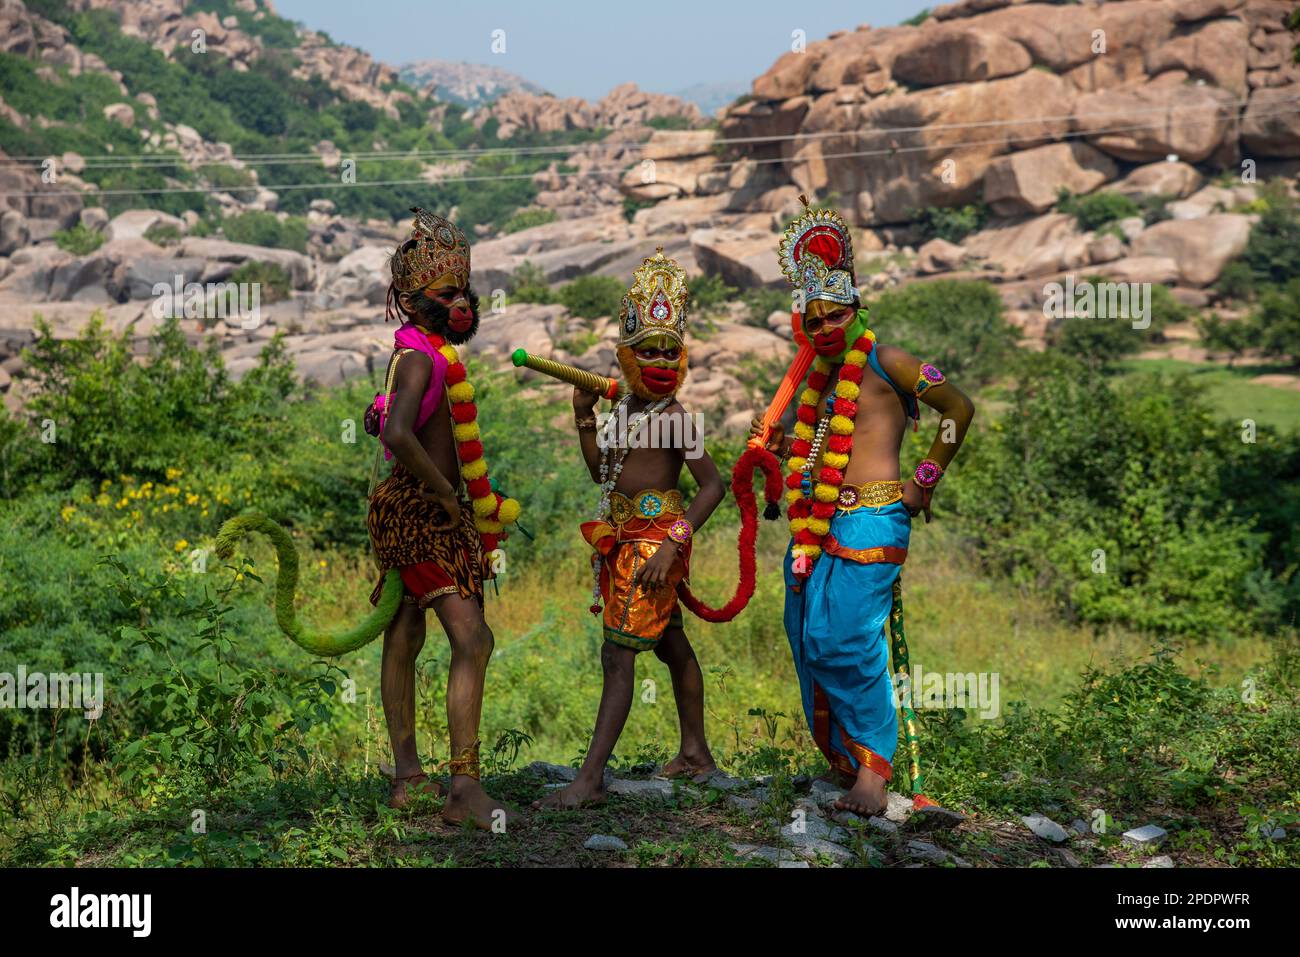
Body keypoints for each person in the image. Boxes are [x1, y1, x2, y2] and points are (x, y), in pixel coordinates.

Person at [750, 198, 975, 817]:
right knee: (808, 639)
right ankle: (849, 765)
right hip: (816, 525)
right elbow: (823, 452)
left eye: (835, 314)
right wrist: (780, 444)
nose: (824, 327)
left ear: (857, 308)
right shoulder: (815, 381)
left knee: (843, 638)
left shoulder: (888, 360)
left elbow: (959, 409)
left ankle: (874, 779)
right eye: (813, 319)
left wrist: (925, 478)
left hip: (874, 518)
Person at [541, 250, 726, 809]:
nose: (661, 359)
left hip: (653, 546)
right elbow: (604, 472)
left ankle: (590, 780)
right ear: (625, 356)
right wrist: (583, 416)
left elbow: (712, 488)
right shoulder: (626, 413)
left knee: (619, 657)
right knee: (671, 644)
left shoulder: (678, 419)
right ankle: (695, 754)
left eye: (671, 350)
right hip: (622, 542)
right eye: (648, 350)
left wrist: (673, 544)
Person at [367, 207, 521, 826]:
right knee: (472, 637)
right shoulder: (421, 360)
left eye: (465, 292)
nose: (461, 304)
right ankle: (463, 790)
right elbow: (401, 433)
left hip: (419, 509)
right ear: (409, 300)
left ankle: (409, 777)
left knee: (406, 630)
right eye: (446, 294)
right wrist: (446, 496)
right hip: (420, 514)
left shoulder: (426, 355)